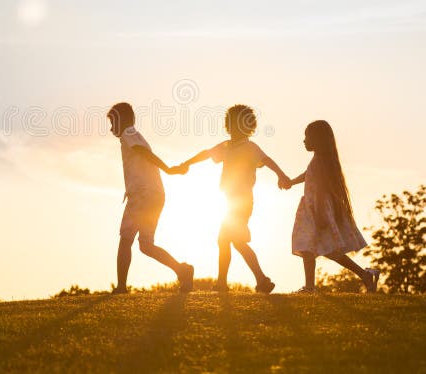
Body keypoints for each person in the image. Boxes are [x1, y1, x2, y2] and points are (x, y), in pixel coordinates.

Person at [178, 104, 290, 293]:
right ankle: (234, 282)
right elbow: (206, 153)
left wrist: (281, 175)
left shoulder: (250, 147)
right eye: (231, 124)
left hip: (242, 201)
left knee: (230, 240)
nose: (233, 128)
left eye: (237, 124)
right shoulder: (227, 146)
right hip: (228, 201)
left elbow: (267, 160)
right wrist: (186, 163)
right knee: (228, 240)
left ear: (247, 127)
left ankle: (252, 280)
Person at [281, 120, 379, 293]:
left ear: (317, 139)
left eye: (307, 136)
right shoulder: (319, 160)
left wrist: (318, 214)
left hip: (315, 208)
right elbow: (309, 175)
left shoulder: (320, 160)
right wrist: (291, 182)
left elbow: (319, 188)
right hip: (315, 207)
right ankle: (365, 274)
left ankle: (310, 287)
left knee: (306, 247)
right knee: (327, 250)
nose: (304, 140)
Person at [108, 102, 194, 294]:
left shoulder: (128, 134)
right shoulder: (135, 135)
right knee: (146, 245)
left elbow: (143, 153)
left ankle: (121, 287)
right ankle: (183, 270)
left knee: (125, 238)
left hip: (142, 194)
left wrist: (169, 170)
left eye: (113, 122)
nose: (111, 128)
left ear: (122, 120)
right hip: (155, 195)